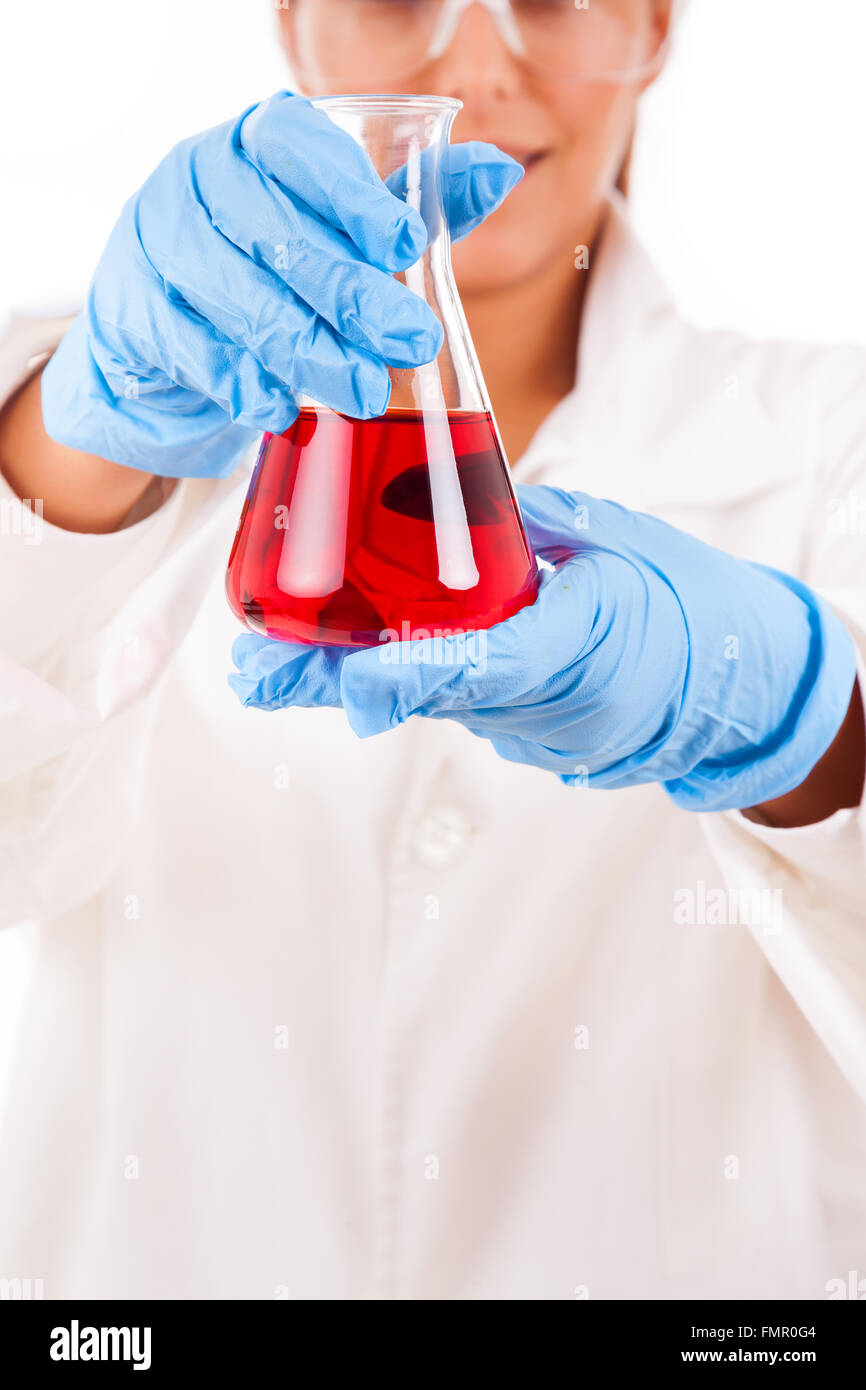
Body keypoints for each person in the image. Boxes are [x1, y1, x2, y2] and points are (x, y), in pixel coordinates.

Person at [0, 0, 864, 1301]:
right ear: (296, 30)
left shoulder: (828, 437)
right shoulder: (116, 388)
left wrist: (802, 724)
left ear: (655, 28)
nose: (475, 68)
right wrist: (65, 458)